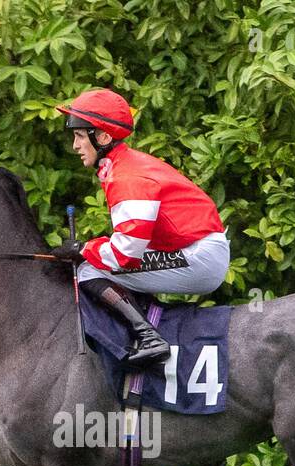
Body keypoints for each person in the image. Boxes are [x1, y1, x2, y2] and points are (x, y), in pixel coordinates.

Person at [51, 88, 230, 368]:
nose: (74, 145)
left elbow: (126, 253)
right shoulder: (123, 166)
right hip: (195, 248)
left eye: (78, 135)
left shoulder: (127, 177)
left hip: (200, 257)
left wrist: (83, 249)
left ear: (103, 137)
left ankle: (149, 337)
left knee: (88, 271)